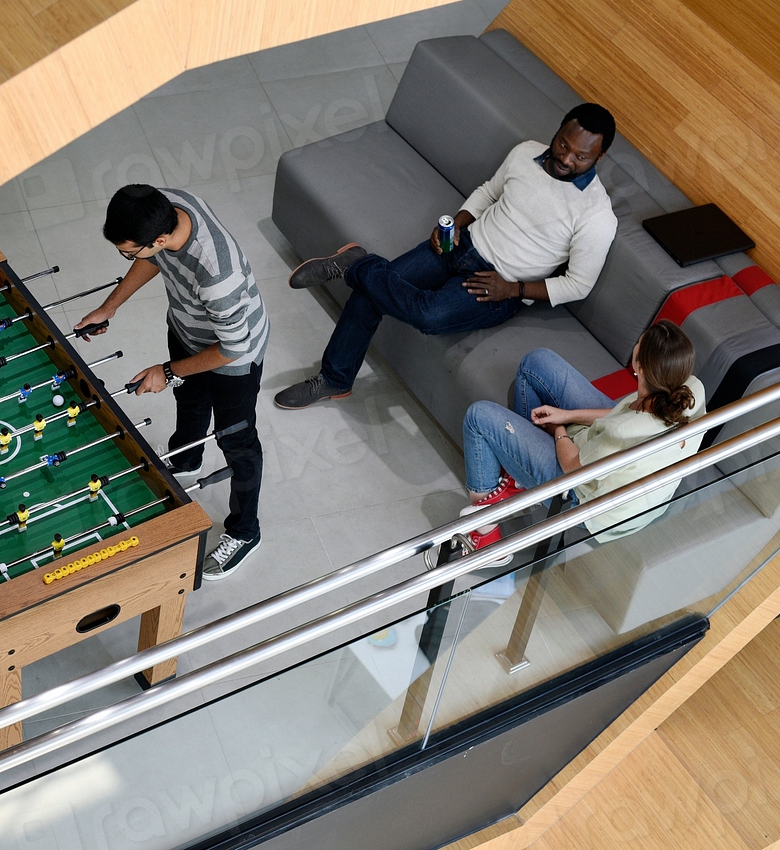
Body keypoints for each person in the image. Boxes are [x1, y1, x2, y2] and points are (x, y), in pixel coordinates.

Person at [276, 103, 619, 409]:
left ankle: (357, 265)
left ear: (599, 157)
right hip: (462, 243)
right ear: (557, 131)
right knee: (371, 294)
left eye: (581, 156)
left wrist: (513, 290)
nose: (566, 158)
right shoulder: (526, 153)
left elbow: (579, 284)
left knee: (430, 317)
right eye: (563, 144)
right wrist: (456, 224)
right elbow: (488, 192)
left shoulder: (596, 214)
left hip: (497, 285)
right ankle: (335, 378)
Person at [75, 185, 269, 580]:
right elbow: (154, 259)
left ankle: (246, 532)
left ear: (160, 239)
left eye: (128, 251)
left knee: (238, 442)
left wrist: (166, 371)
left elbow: (233, 349)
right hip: (186, 328)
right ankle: (185, 459)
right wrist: (109, 306)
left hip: (235, 357)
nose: (128, 257)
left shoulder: (218, 275)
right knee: (190, 399)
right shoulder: (164, 205)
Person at [460, 320, 705, 559]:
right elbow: (621, 417)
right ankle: (522, 478)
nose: (637, 342)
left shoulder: (620, 433)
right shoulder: (686, 393)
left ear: (640, 366)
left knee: (477, 417)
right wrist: (567, 414)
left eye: (639, 341)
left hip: (584, 495)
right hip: (609, 458)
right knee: (536, 363)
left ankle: (484, 534)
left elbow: (573, 466)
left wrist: (559, 428)